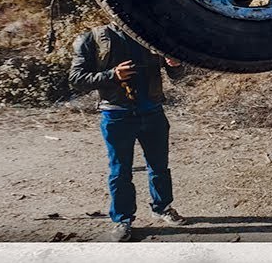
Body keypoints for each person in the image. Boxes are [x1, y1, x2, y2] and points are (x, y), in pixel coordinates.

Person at [69, 24, 190, 242]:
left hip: (153, 112)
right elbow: (77, 79)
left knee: (159, 166)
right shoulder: (93, 38)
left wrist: (176, 64)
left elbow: (177, 75)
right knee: (120, 171)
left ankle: (162, 208)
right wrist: (112, 75)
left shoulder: (153, 34)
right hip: (116, 115)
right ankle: (122, 220)